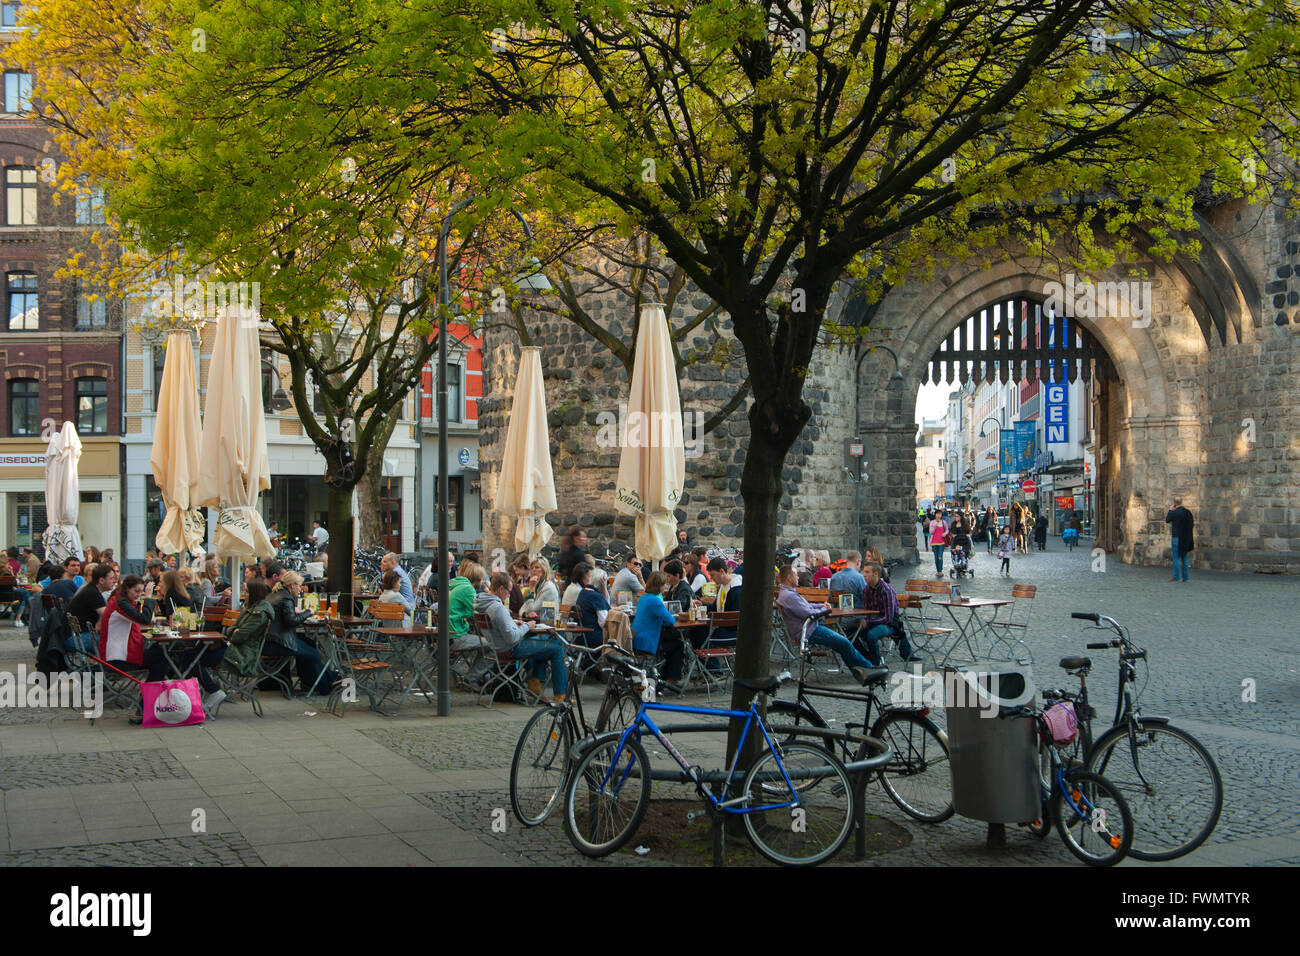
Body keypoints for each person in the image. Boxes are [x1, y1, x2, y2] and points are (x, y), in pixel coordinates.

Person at [475, 571, 567, 702]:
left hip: (497, 647)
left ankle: (535, 682)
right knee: (557, 649)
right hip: (509, 648)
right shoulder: (497, 607)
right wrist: (527, 626)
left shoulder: (482, 602)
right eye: (509, 591)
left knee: (547, 645)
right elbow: (512, 637)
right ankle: (560, 694)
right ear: (501, 589)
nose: (509, 595)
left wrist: (512, 622)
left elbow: (500, 625)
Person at [775, 565, 875, 678]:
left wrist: (821, 605)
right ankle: (868, 669)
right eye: (796, 574)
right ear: (789, 578)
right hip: (808, 631)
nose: (798, 577)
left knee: (842, 644)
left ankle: (861, 670)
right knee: (844, 643)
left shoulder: (787, 593)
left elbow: (807, 606)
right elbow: (809, 614)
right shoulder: (789, 596)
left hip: (807, 628)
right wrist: (825, 609)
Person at [266, 570, 336, 693]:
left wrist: (294, 611)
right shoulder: (286, 598)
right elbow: (292, 621)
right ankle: (325, 686)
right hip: (280, 642)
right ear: (292, 585)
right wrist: (308, 612)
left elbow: (285, 616)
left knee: (309, 643)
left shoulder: (275, 594)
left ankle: (310, 682)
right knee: (313, 654)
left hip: (272, 639)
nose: (300, 589)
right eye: (298, 585)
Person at [214, 580, 276, 715]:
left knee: (199, 657)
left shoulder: (258, 613)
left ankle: (213, 692)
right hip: (236, 649)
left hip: (242, 655)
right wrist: (233, 631)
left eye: (247, 591)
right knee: (196, 655)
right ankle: (213, 691)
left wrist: (234, 631)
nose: (244, 594)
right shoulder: (250, 608)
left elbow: (239, 636)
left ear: (254, 593)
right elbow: (233, 629)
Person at [856, 561, 919, 667]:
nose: (864, 575)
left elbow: (888, 618)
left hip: (888, 624)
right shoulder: (866, 590)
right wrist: (864, 621)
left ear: (876, 574)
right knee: (848, 633)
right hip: (873, 621)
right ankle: (866, 657)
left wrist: (869, 622)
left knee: (871, 635)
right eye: (864, 572)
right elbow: (867, 611)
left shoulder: (886, 590)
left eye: (867, 572)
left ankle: (875, 664)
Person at [632, 571, 683, 684]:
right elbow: (670, 621)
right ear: (659, 585)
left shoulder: (644, 598)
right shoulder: (655, 600)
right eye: (664, 584)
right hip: (647, 642)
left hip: (638, 639)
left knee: (671, 642)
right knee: (678, 644)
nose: (666, 586)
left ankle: (665, 676)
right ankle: (672, 678)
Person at [66, 563, 117, 651]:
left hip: (75, 635)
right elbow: (109, 616)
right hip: (76, 638)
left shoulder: (91, 589)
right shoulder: (93, 593)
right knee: (116, 641)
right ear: (101, 580)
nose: (115, 581)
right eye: (111, 578)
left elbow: (104, 614)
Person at [828, 550, 868, 639]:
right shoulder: (859, 578)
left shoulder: (834, 577)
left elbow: (831, 599)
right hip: (856, 618)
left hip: (838, 619)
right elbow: (867, 598)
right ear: (858, 562)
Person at [572, 563, 611, 649]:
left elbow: (606, 603)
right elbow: (603, 623)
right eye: (606, 582)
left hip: (580, 637)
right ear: (602, 582)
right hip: (594, 637)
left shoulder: (583, 592)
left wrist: (604, 589)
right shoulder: (596, 596)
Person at [520, 558, 560, 624]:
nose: (533, 570)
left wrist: (531, 589)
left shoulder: (548, 587)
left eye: (537, 567)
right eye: (532, 568)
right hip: (538, 625)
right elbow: (522, 609)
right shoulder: (538, 585)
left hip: (549, 629)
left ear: (544, 570)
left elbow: (531, 609)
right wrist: (525, 614)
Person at [1165, 496, 1195, 583]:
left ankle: (1176, 577)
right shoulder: (1187, 512)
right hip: (1185, 538)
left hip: (1177, 537)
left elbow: (1167, 520)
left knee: (1176, 558)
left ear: (1174, 503)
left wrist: (1170, 510)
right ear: (1181, 502)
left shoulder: (1175, 512)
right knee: (1185, 558)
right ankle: (1186, 577)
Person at [928, 510, 949, 577]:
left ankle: (940, 571)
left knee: (940, 556)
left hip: (941, 542)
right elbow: (931, 532)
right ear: (935, 515)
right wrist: (935, 526)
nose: (938, 515)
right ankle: (938, 570)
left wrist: (945, 533)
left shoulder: (943, 522)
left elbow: (947, 530)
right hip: (934, 542)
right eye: (937, 514)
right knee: (936, 557)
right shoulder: (932, 522)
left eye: (940, 514)